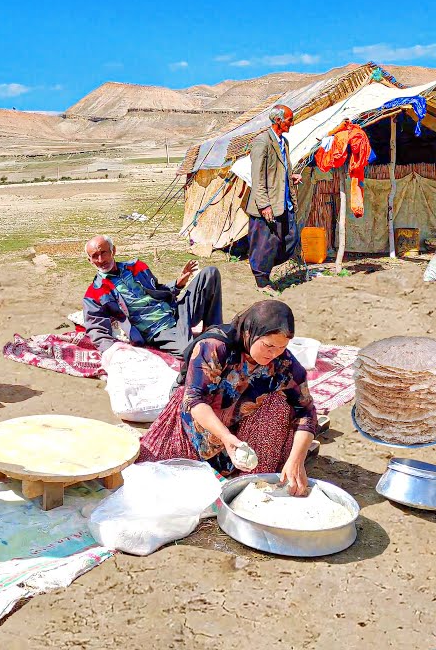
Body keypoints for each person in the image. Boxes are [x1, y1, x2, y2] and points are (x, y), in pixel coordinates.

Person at [137, 300, 317, 495]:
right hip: (200, 422)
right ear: (249, 332)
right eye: (268, 346)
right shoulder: (215, 347)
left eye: (281, 347)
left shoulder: (284, 363)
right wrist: (227, 438)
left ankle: (252, 476)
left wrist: (297, 458)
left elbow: (306, 411)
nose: (274, 354)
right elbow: (195, 400)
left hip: (242, 422)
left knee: (279, 404)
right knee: (156, 476)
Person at [83, 235, 223, 358]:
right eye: (95, 256)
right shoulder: (94, 293)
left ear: (113, 251)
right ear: (90, 260)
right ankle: (192, 341)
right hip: (157, 330)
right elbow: (96, 329)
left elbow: (157, 290)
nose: (101, 260)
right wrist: (113, 352)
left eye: (104, 253)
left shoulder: (137, 267)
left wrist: (178, 284)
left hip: (176, 311)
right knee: (192, 351)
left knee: (210, 273)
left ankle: (213, 330)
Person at [245, 104, 302, 295]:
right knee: (264, 244)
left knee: (290, 238)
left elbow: (278, 170)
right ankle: (262, 282)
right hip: (267, 204)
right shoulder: (262, 142)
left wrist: (290, 178)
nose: (292, 123)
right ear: (278, 120)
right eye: (290, 120)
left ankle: (265, 270)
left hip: (282, 202)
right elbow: (258, 177)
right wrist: (264, 204)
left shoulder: (283, 142)